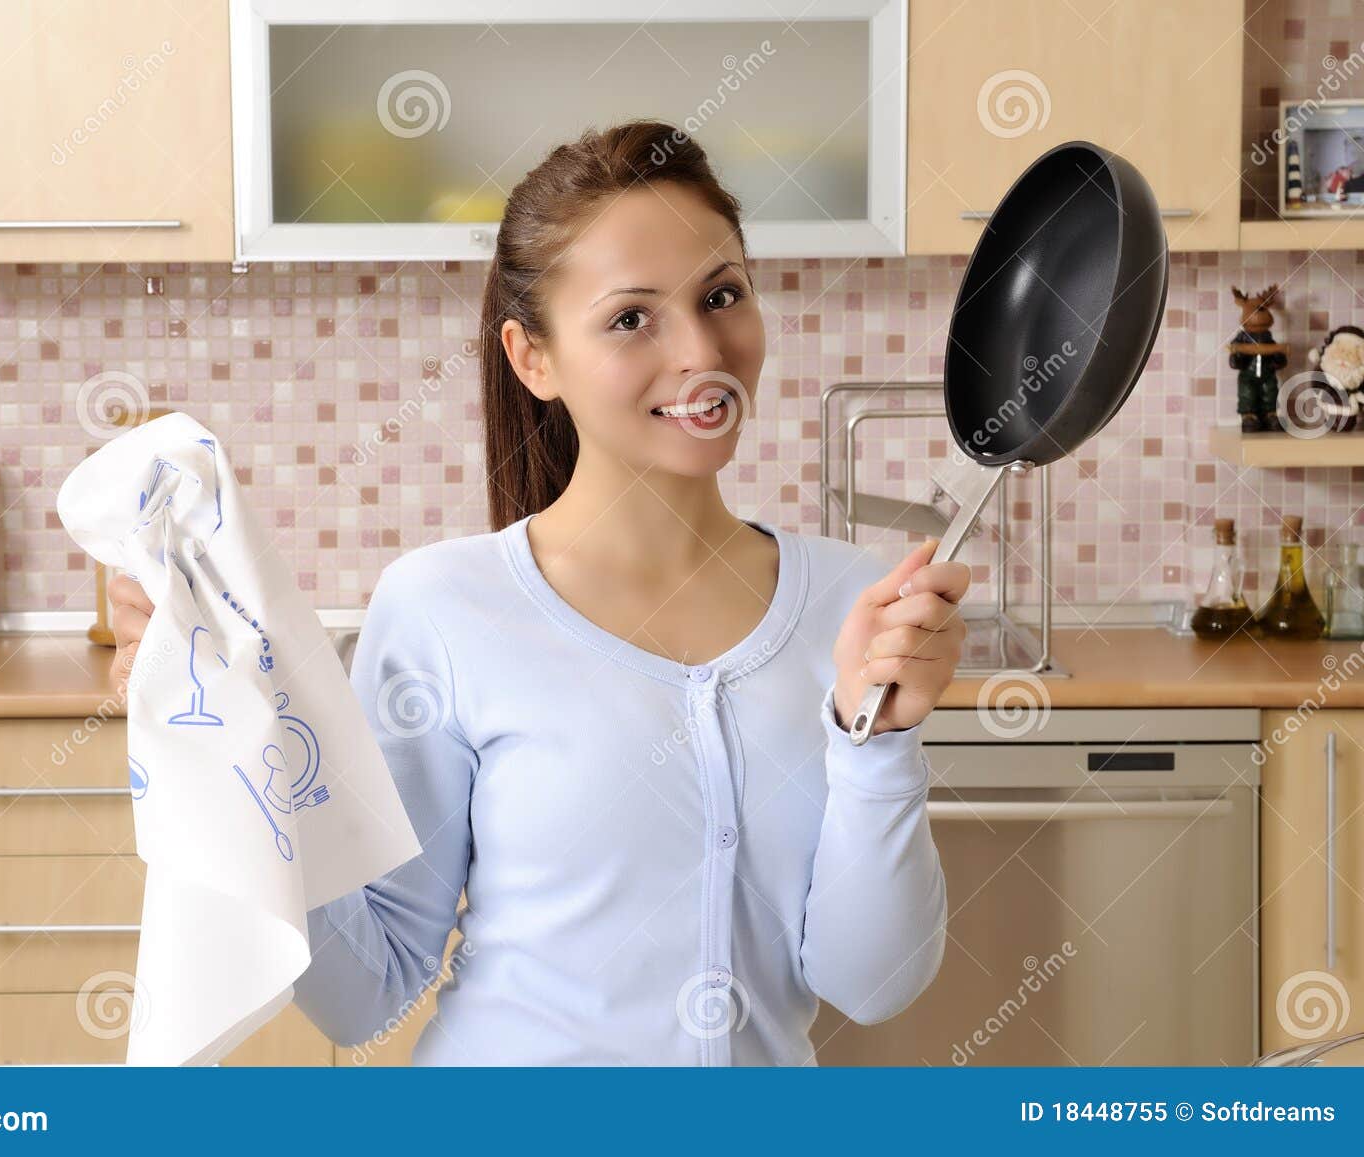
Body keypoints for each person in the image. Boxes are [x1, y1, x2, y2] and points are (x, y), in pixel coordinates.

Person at [106, 119, 967, 1066]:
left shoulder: (855, 604)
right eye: (631, 318)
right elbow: (368, 988)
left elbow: (871, 984)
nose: (700, 349)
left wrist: (878, 741)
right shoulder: (443, 610)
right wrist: (228, 746)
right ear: (533, 358)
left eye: (721, 295)